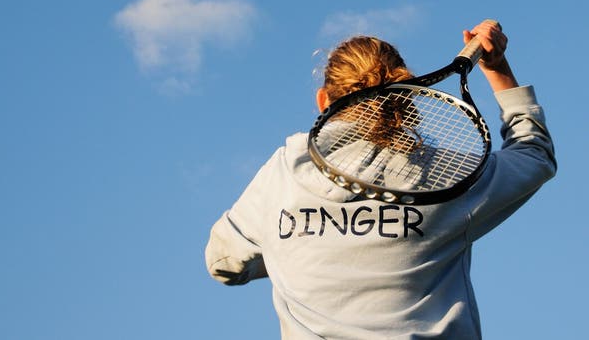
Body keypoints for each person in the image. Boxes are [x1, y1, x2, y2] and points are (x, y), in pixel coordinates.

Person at [205, 20, 556, 339]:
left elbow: (223, 262)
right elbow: (534, 156)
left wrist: (308, 247)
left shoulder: (283, 170)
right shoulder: (448, 177)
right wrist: (498, 71)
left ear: (323, 100)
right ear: (405, 95)